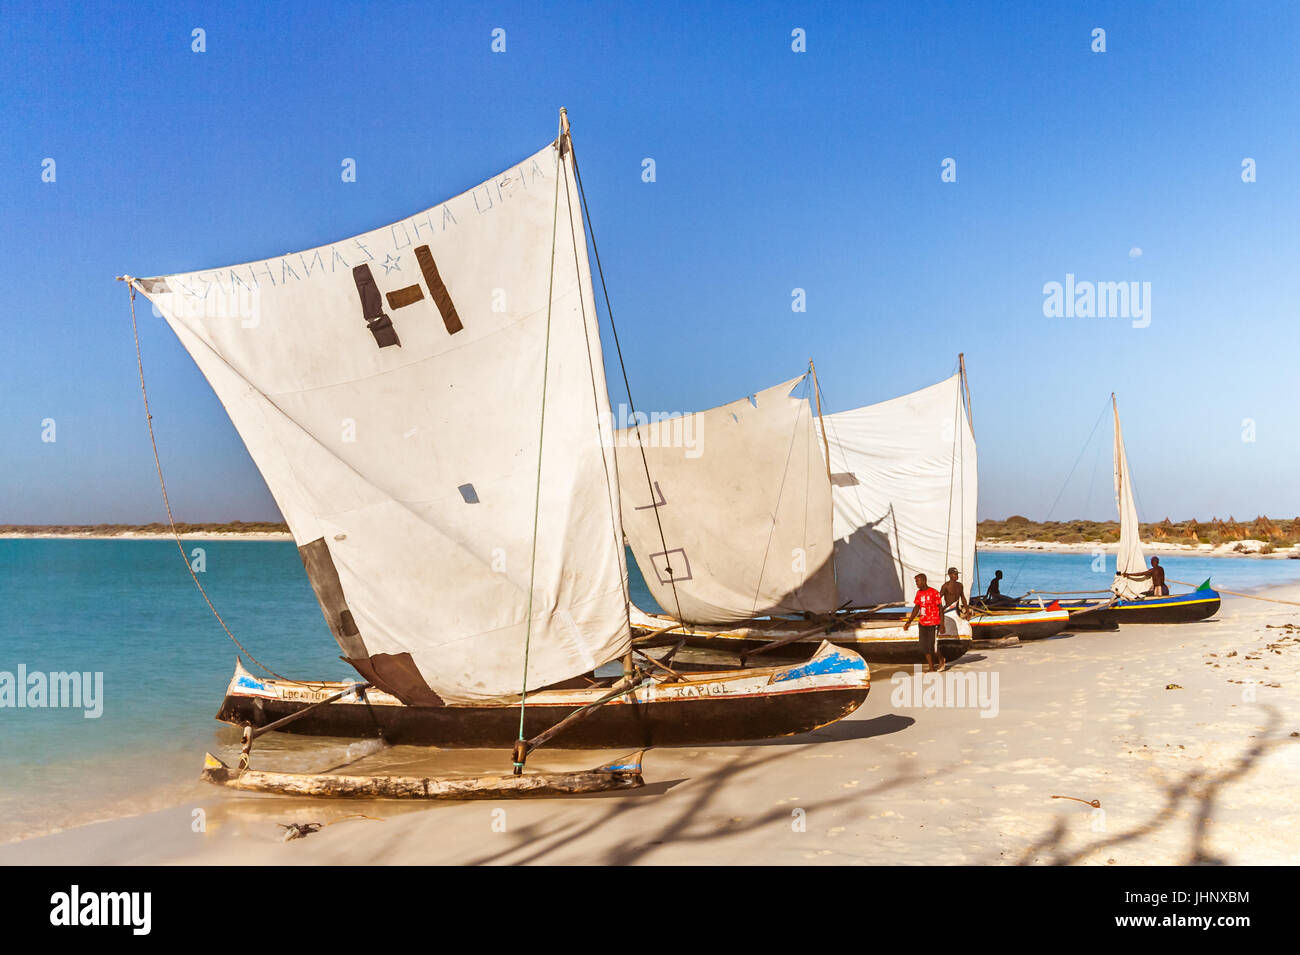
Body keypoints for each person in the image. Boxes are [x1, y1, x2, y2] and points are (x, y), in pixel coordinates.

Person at [903, 572, 945, 672]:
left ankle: (941, 659)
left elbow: (941, 609)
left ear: (924, 581)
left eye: (917, 581)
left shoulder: (934, 592)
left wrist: (942, 624)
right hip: (922, 623)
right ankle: (931, 667)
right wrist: (909, 622)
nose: (916, 584)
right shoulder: (919, 593)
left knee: (932, 647)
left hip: (933, 623)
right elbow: (916, 607)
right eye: (916, 582)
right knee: (924, 647)